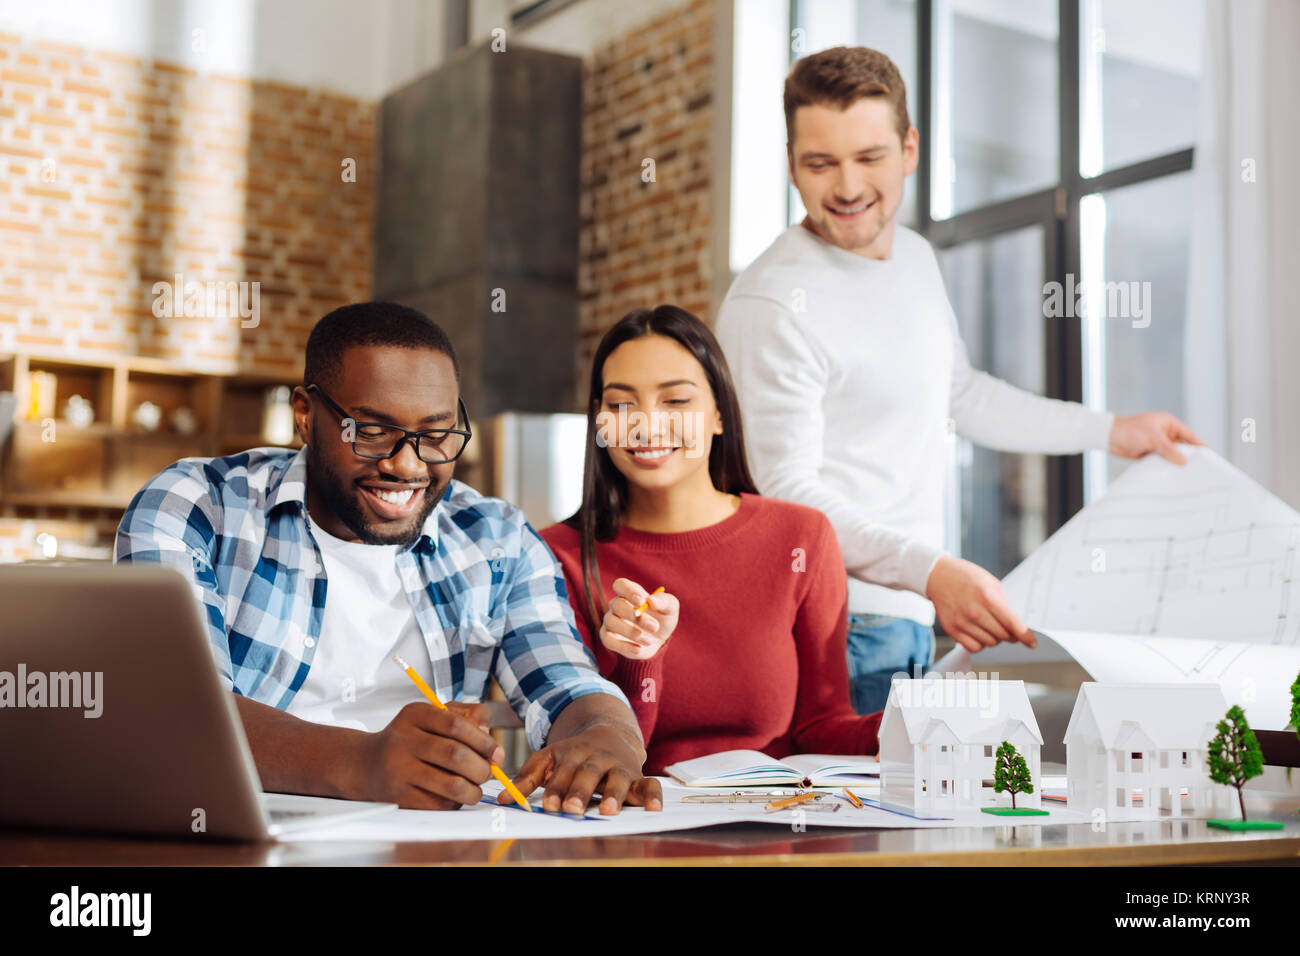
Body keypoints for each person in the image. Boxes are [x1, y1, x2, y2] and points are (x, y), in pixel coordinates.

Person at [715, 45, 1203, 715]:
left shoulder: (914, 258)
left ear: (910, 149)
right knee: (842, 820)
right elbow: (788, 493)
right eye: (820, 163)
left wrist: (1112, 431)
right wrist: (933, 569)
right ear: (793, 165)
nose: (848, 187)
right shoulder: (772, 300)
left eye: (870, 157)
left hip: (911, 623)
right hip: (827, 629)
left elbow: (960, 393)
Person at [115, 301, 661, 816]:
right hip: (236, 835)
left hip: (420, 847)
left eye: (435, 435)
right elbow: (173, 708)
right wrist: (360, 763)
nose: (406, 465)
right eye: (373, 432)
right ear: (304, 415)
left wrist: (606, 738)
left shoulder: (497, 539)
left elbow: (564, 681)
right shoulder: (197, 507)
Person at [540, 305, 882, 776]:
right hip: (634, 826)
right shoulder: (555, 556)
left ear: (719, 414)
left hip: (774, 828)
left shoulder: (801, 537)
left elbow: (824, 727)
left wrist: (909, 727)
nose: (646, 425)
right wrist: (641, 660)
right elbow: (599, 754)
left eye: (676, 402)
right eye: (621, 404)